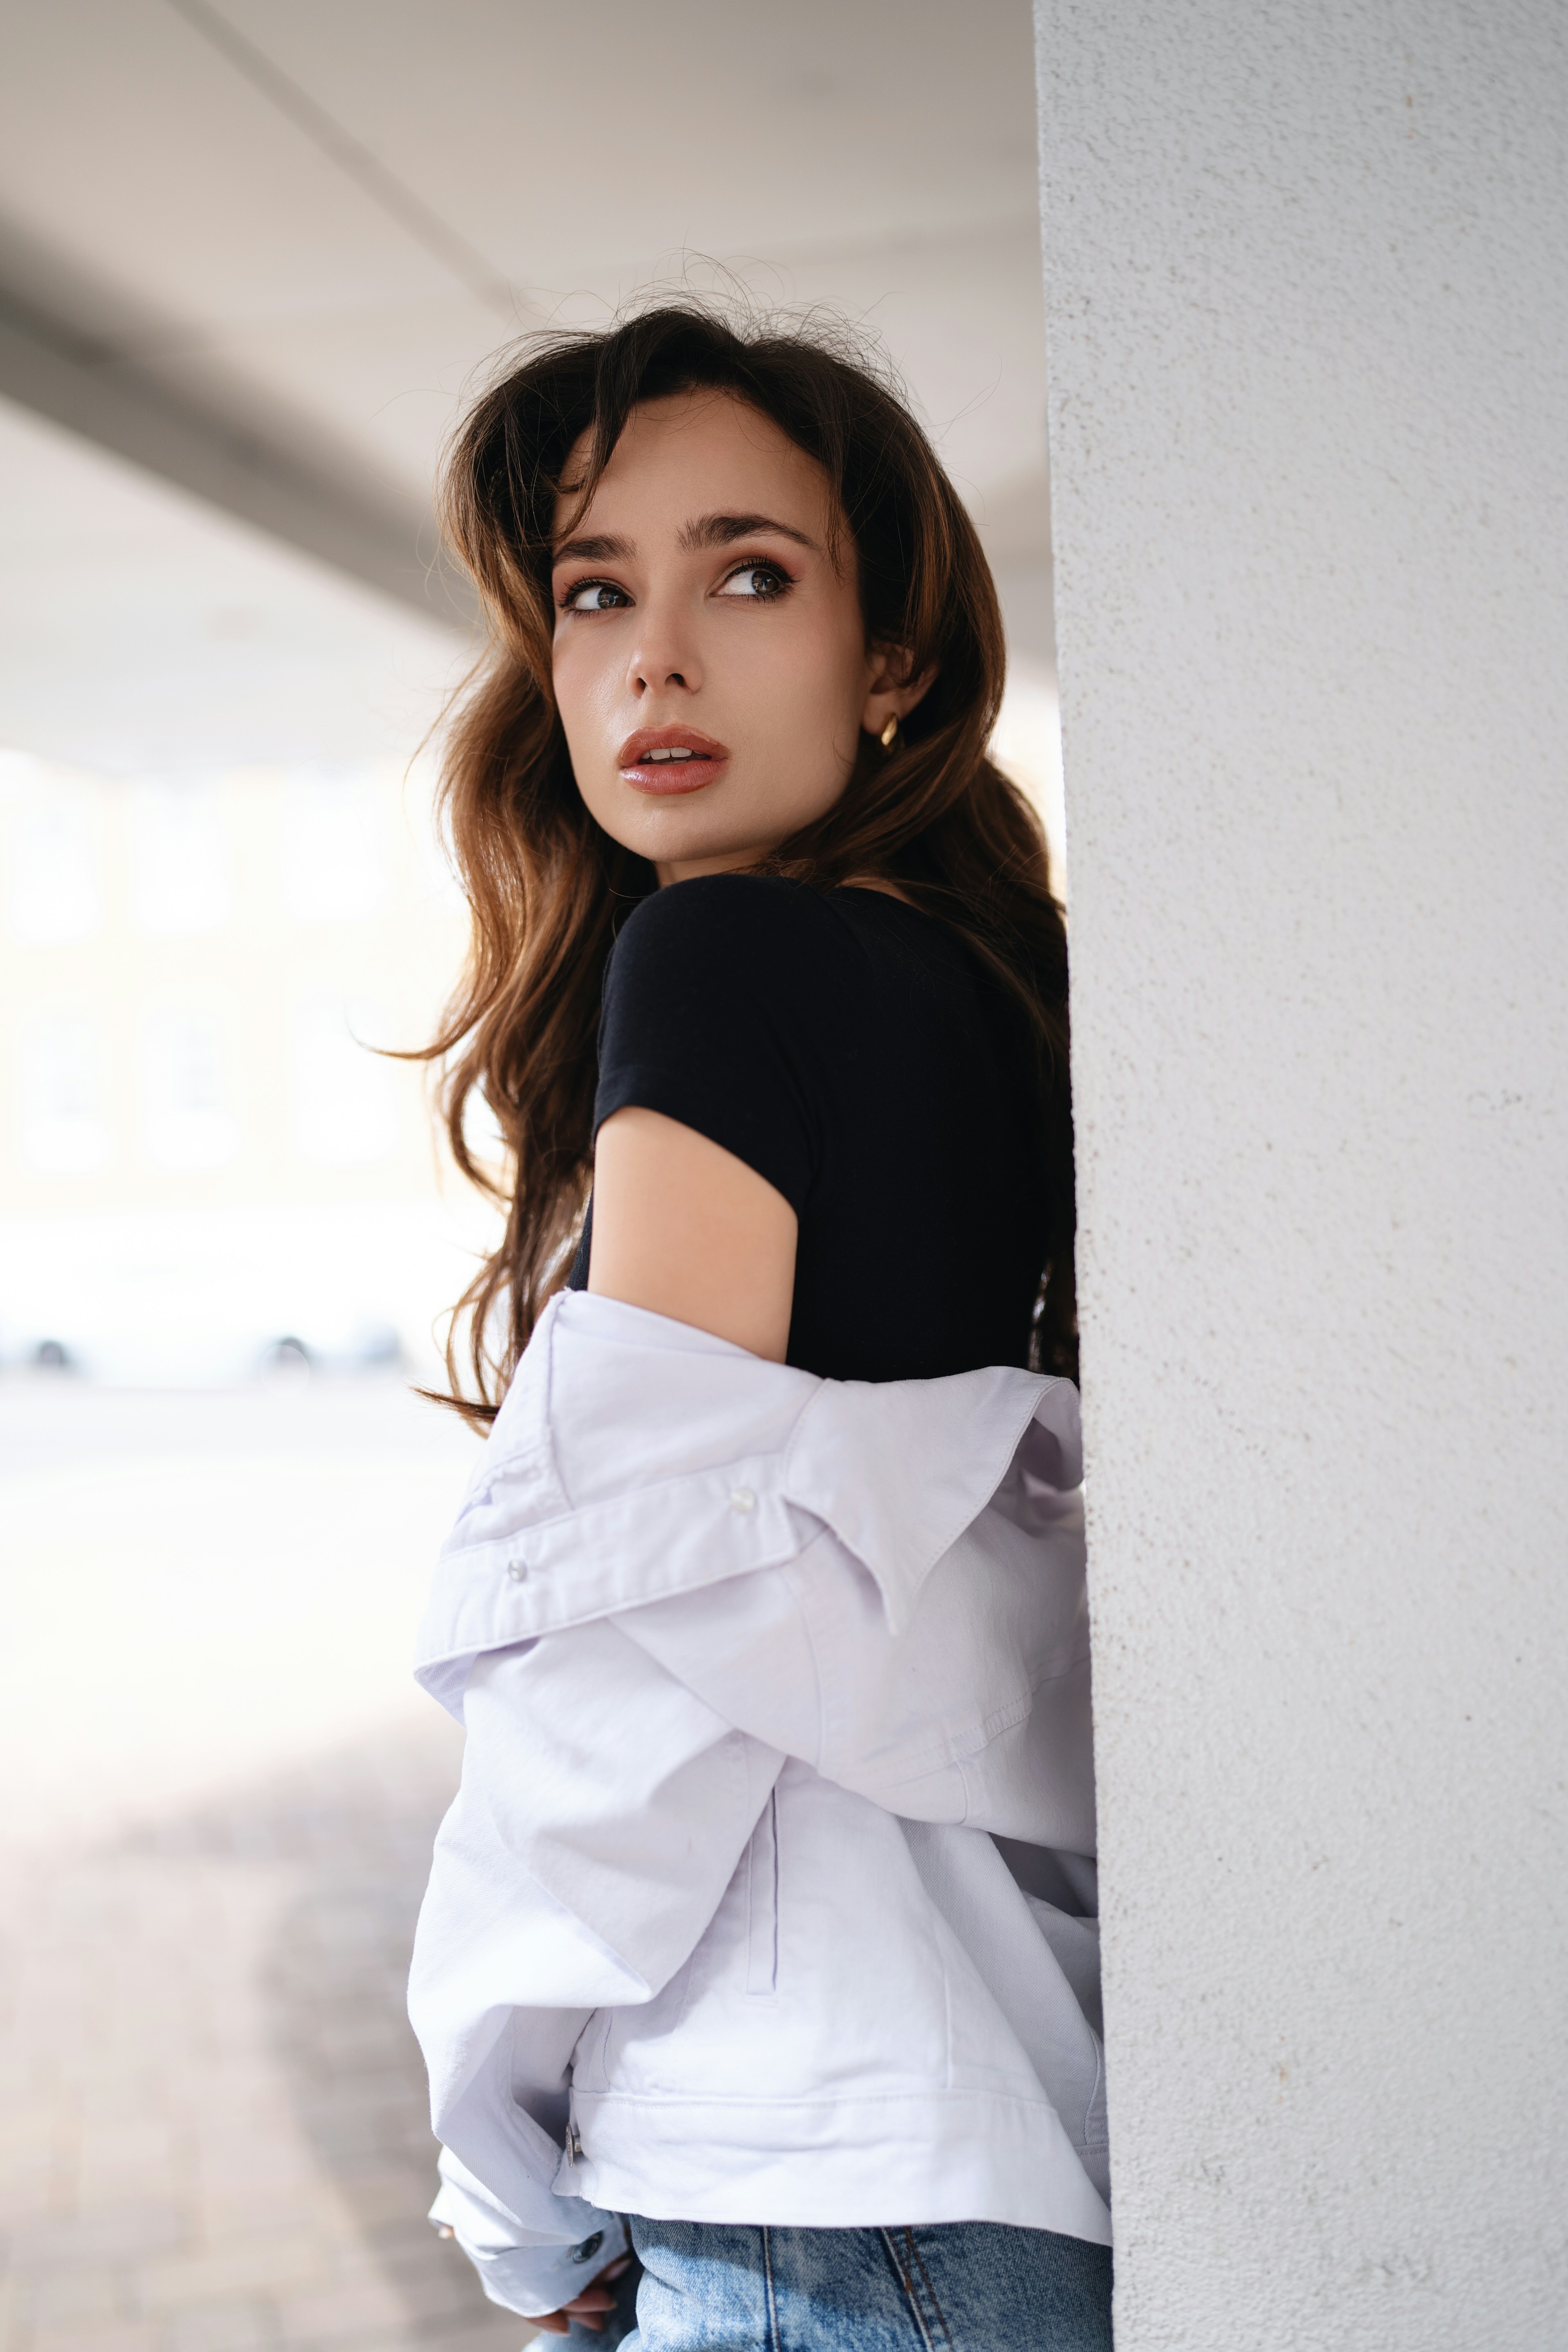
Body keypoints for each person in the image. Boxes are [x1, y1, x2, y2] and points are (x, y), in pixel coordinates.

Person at [407, 304, 1110, 2350]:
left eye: (748, 572)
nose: (655, 654)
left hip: (799, 2180)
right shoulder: (996, 996)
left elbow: (623, 1667)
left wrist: (504, 2184)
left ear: (889, 652)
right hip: (982, 2133)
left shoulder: (721, 964)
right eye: (595, 590)